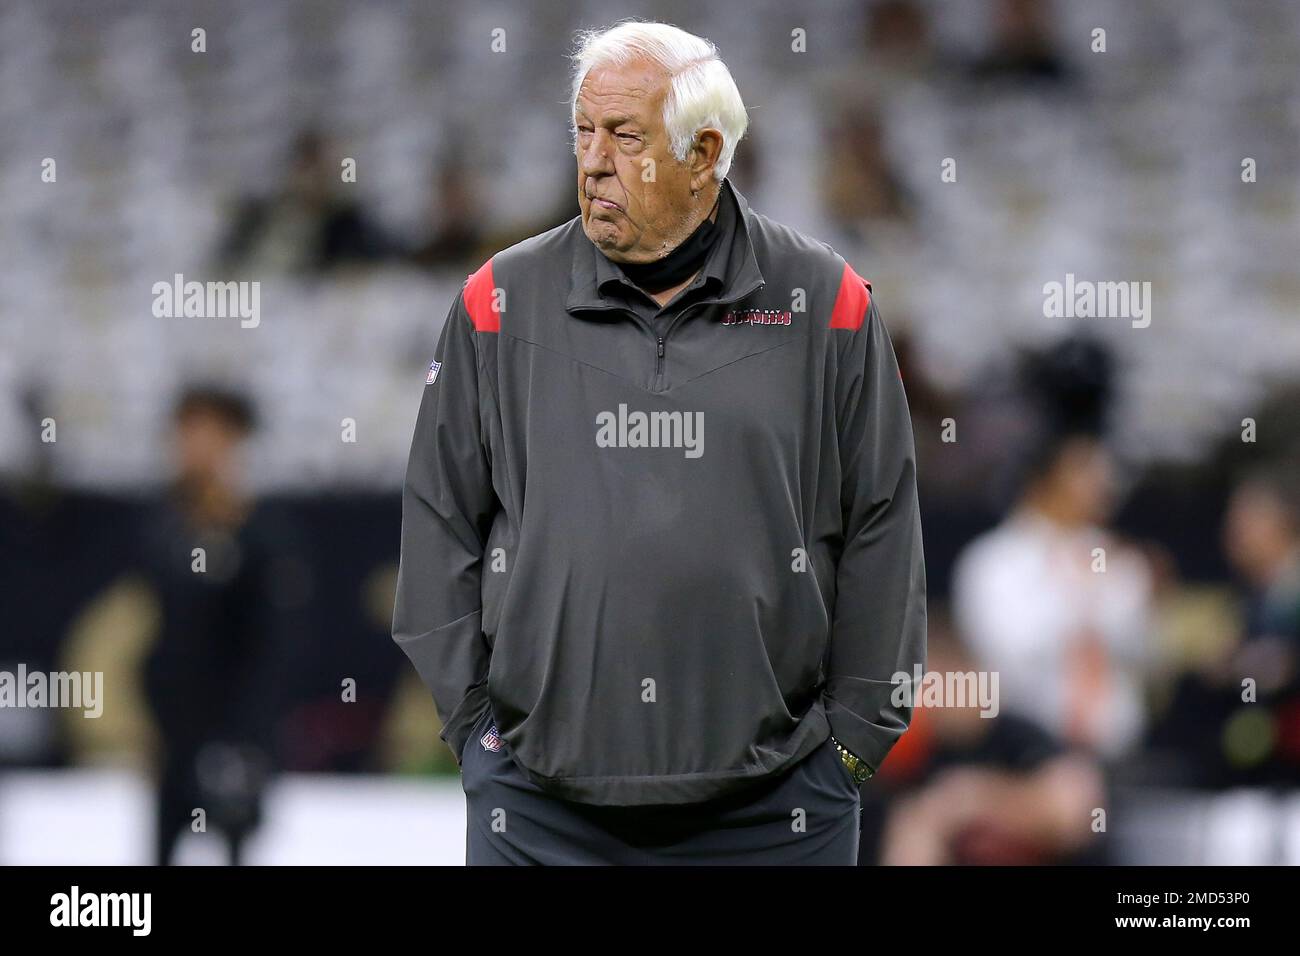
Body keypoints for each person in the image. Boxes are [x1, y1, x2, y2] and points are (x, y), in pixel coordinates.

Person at [392, 20, 926, 865]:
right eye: (582, 131)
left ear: (705, 154)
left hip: (775, 814)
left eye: (624, 135)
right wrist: (476, 738)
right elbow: (438, 524)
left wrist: (851, 748)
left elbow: (883, 529)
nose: (593, 160)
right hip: (540, 814)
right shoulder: (498, 302)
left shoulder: (825, 302)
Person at [138, 386, 300, 865]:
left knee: (235, 847)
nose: (193, 446)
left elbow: (275, 646)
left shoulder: (264, 535)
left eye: (207, 432)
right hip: (172, 738)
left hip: (237, 736)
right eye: (186, 432)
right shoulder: (161, 529)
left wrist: (249, 738)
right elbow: (150, 635)